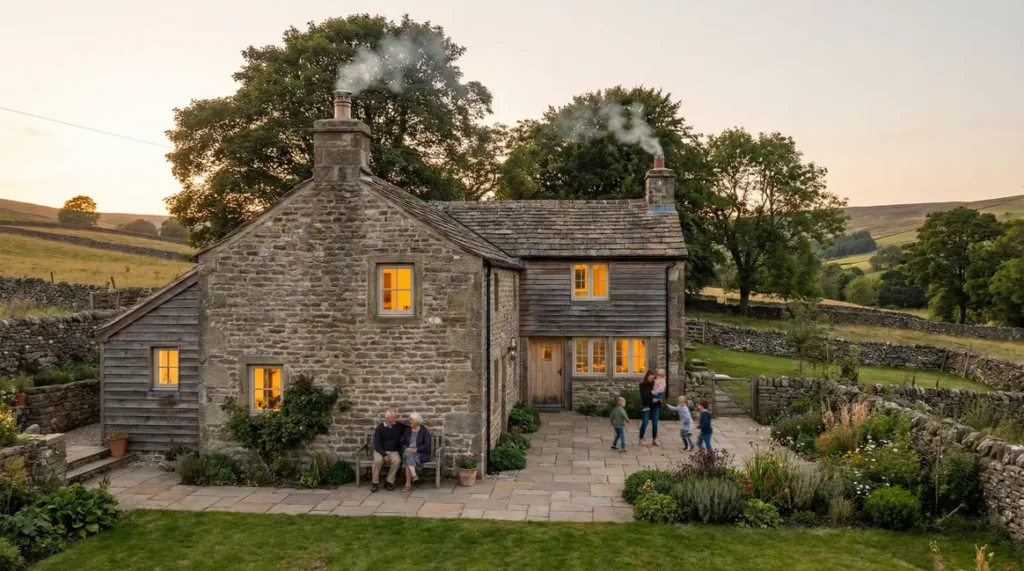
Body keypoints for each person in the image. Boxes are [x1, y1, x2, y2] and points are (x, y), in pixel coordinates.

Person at [371, 409, 406, 492]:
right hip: (380, 451)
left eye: (395, 417)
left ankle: (389, 481)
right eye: (393, 417)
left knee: (397, 461)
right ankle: (375, 482)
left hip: (393, 451)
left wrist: (422, 427)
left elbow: (409, 428)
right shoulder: (380, 428)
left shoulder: (398, 426)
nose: (395, 419)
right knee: (377, 461)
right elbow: (377, 444)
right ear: (387, 418)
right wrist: (384, 455)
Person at [400, 412, 431, 492]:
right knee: (408, 454)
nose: (409, 421)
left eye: (411, 420)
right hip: (408, 451)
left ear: (417, 421)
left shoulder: (424, 431)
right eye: (409, 420)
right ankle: (414, 475)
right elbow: (402, 441)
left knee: (407, 459)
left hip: (420, 453)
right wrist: (405, 448)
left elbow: (426, 445)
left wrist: (415, 450)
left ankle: (408, 484)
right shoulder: (407, 430)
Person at [638, 370, 661, 447]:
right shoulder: (642, 385)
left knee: (655, 424)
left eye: (653, 378)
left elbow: (660, 393)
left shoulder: (656, 384)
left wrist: (658, 397)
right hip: (646, 406)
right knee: (645, 422)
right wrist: (653, 396)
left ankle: (654, 439)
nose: (652, 379)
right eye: (650, 378)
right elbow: (644, 395)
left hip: (655, 406)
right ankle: (641, 438)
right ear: (647, 377)